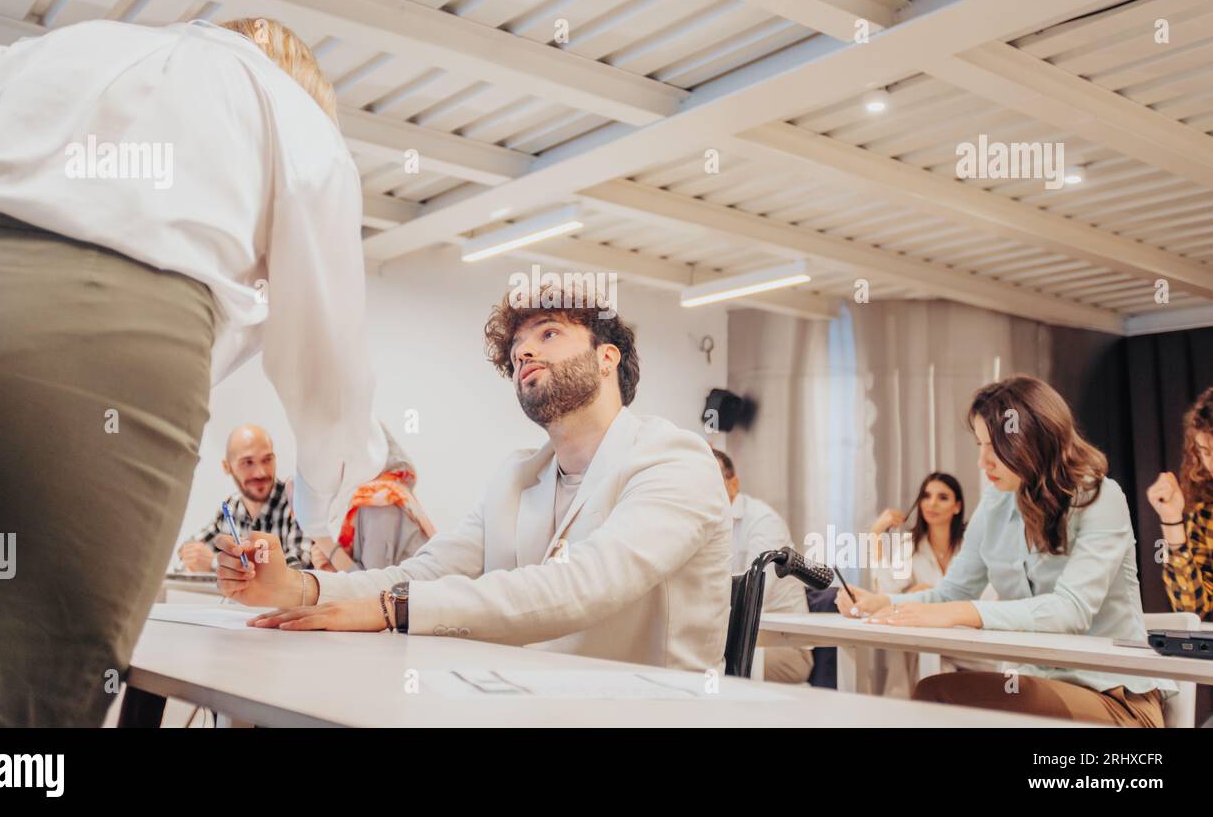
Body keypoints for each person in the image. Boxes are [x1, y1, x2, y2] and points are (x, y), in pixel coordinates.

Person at [0, 17, 385, 725]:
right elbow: (327, 370)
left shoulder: (59, 43)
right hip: (87, 355)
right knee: (8, 708)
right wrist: (323, 521)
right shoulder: (292, 114)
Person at [216, 285, 733, 672]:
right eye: (516, 352)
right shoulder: (515, 478)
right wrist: (298, 586)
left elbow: (584, 587)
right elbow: (423, 574)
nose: (524, 353)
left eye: (548, 333)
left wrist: (392, 610)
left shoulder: (676, 460)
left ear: (606, 358)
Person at [836, 375, 1175, 727]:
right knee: (936, 696)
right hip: (1033, 689)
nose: (983, 462)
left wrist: (964, 612)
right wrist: (887, 605)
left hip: (1115, 699)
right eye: (980, 445)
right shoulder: (994, 505)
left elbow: (1070, 612)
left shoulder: (1100, 498)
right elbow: (951, 594)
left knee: (938, 698)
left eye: (994, 446)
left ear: (1034, 439)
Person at [866, 472, 998, 697]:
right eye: (926, 496)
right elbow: (885, 591)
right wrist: (875, 535)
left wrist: (931, 597)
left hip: (972, 639)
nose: (932, 503)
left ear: (957, 506)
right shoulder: (910, 546)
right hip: (931, 642)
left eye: (943, 497)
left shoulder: (972, 546)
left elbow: (989, 596)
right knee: (933, 662)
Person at [712, 448, 813, 684]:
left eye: (712, 481)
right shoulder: (705, 523)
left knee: (701, 664)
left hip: (783, 646)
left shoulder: (763, 522)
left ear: (733, 484)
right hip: (733, 639)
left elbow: (749, 599)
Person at [178, 425, 314, 571]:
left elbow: (298, 566)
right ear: (227, 467)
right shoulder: (231, 507)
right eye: (248, 462)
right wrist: (193, 555)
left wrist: (216, 563)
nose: (260, 473)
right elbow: (189, 550)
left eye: (267, 460)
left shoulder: (295, 501)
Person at [308, 423, 433, 573]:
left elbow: (372, 585)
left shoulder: (380, 501)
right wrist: (331, 564)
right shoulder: (369, 497)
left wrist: (327, 545)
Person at [1146, 385, 1213, 619]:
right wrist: (1171, 521)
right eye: (1205, 451)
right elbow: (1192, 611)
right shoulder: (1207, 512)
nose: (1211, 463)